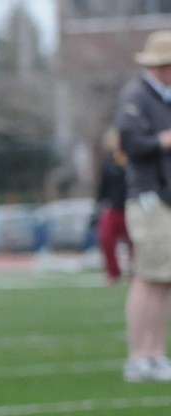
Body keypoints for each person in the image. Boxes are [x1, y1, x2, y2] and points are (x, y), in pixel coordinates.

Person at [114, 30, 171, 382]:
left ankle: (155, 353)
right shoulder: (135, 96)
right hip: (149, 198)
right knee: (148, 276)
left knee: (165, 278)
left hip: (166, 198)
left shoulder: (164, 99)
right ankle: (138, 357)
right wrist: (163, 141)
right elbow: (130, 143)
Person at [96, 128, 132, 286]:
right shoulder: (107, 164)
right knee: (106, 238)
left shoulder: (132, 161)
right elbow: (102, 188)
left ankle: (134, 272)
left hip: (130, 207)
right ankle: (113, 272)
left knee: (135, 242)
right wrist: (97, 205)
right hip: (113, 207)